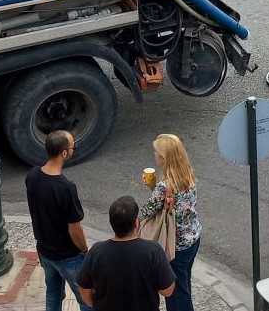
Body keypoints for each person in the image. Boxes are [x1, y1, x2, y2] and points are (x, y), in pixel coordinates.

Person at [25, 130, 92, 311]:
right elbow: (74, 228)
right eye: (73, 147)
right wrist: (84, 250)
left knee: (53, 293)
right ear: (64, 152)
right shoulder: (66, 188)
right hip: (68, 256)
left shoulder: (32, 175)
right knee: (86, 300)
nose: (73, 150)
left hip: (45, 251)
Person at [77, 196, 176, 311]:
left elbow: (84, 291)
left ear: (111, 223)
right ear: (136, 224)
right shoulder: (153, 251)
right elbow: (168, 291)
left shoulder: (96, 252)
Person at [140, 134, 202, 311]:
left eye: (156, 151)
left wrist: (153, 189)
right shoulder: (187, 175)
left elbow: (146, 211)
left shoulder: (164, 186)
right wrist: (155, 190)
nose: (154, 153)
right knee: (184, 286)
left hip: (175, 246)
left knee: (176, 296)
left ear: (163, 158)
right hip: (193, 238)